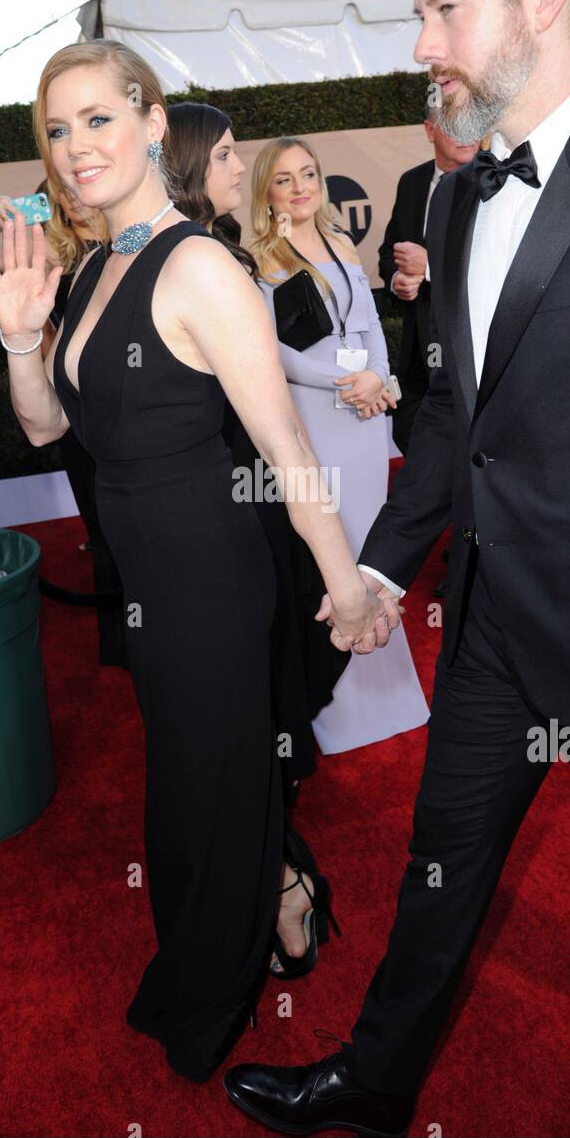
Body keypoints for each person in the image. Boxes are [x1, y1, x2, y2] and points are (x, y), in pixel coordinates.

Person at [224, 0, 570, 1138]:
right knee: (440, 866)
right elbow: (450, 420)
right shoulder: (450, 187)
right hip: (486, 622)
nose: (421, 40)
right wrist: (383, 568)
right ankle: (377, 1084)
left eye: (444, 10)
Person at [0, 39, 398, 1083]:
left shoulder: (198, 264)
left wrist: (345, 584)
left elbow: (285, 447)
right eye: (59, 129)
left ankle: (217, 990)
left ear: (153, 121)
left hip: (214, 576)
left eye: (100, 118)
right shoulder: (90, 269)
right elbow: (41, 431)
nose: (78, 146)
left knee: (205, 798)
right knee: (196, 781)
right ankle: (287, 896)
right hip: (145, 588)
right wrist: (22, 338)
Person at [166, 101, 347, 978]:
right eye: (230, 155)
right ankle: (270, 872)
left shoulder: (226, 259)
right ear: (196, 165)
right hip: (220, 518)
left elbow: (275, 416)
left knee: (267, 691)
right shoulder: (199, 264)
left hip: (254, 504)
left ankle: (275, 866)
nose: (242, 167)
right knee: (240, 708)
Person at [249, 137, 430, 755]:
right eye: (284, 179)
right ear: (264, 191)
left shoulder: (343, 243)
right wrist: (344, 383)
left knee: (374, 545)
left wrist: (380, 378)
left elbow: (371, 324)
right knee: (333, 547)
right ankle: (336, 707)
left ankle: (393, 694)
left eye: (309, 174)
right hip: (313, 418)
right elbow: (270, 352)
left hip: (363, 418)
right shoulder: (257, 257)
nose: (300, 187)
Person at [0, 184, 127, 667]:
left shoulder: (126, 244)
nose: (75, 202)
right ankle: (121, 636)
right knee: (102, 526)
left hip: (129, 401)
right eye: (62, 198)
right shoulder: (52, 256)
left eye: (79, 193)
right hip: (72, 404)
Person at [379, 105, 479, 454]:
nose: (469, 134)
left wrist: (432, 267)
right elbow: (387, 252)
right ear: (429, 130)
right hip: (417, 360)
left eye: (475, 123)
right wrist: (397, 281)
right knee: (417, 448)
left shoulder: (497, 182)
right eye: (456, 125)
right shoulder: (412, 182)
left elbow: (505, 265)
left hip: (470, 355)